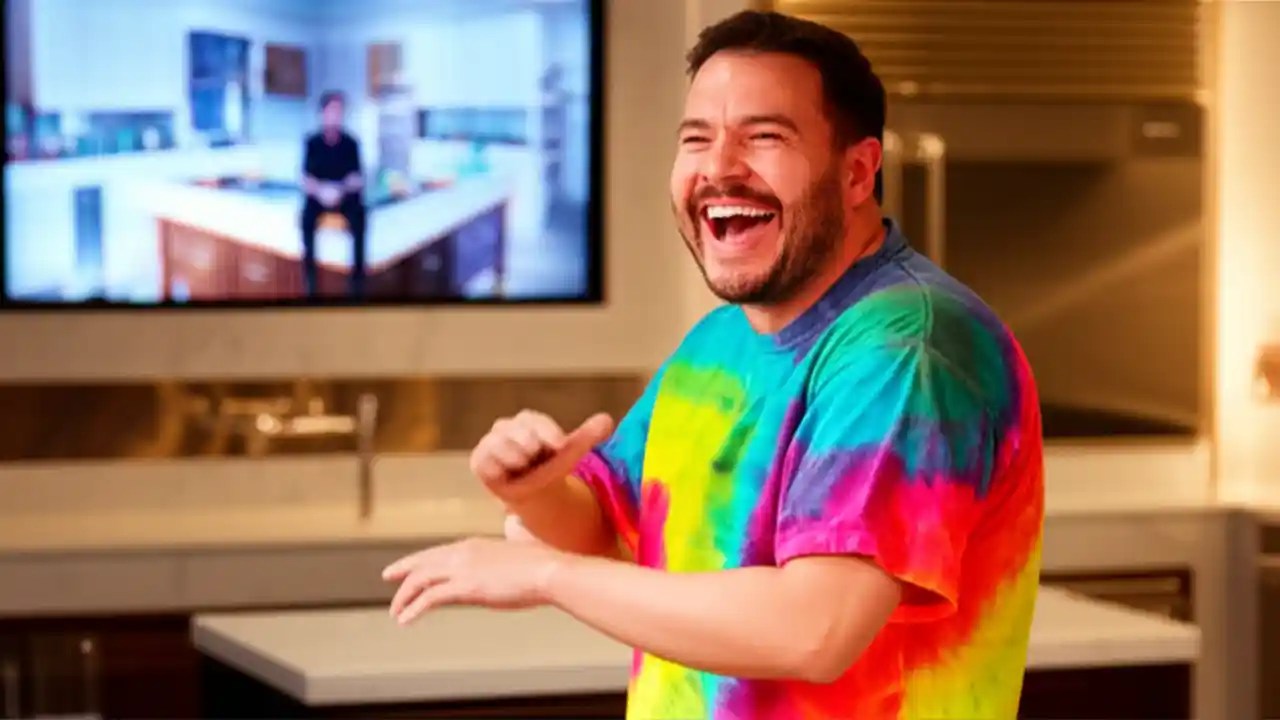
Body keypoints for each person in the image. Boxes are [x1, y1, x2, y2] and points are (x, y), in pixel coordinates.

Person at [382, 10, 1044, 719]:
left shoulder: (907, 348)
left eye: (765, 137)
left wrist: (545, 575)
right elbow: (609, 530)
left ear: (857, 173)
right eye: (697, 138)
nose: (719, 167)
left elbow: (814, 630)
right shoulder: (719, 341)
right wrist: (532, 492)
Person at [300, 90, 366, 299]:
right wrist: (321, 191)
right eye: (331, 111)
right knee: (305, 218)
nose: (335, 116)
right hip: (320, 196)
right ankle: (310, 282)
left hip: (344, 195)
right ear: (322, 114)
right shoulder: (312, 142)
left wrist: (341, 189)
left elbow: (358, 179)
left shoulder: (351, 143)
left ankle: (357, 282)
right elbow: (306, 180)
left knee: (361, 215)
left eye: (339, 111)